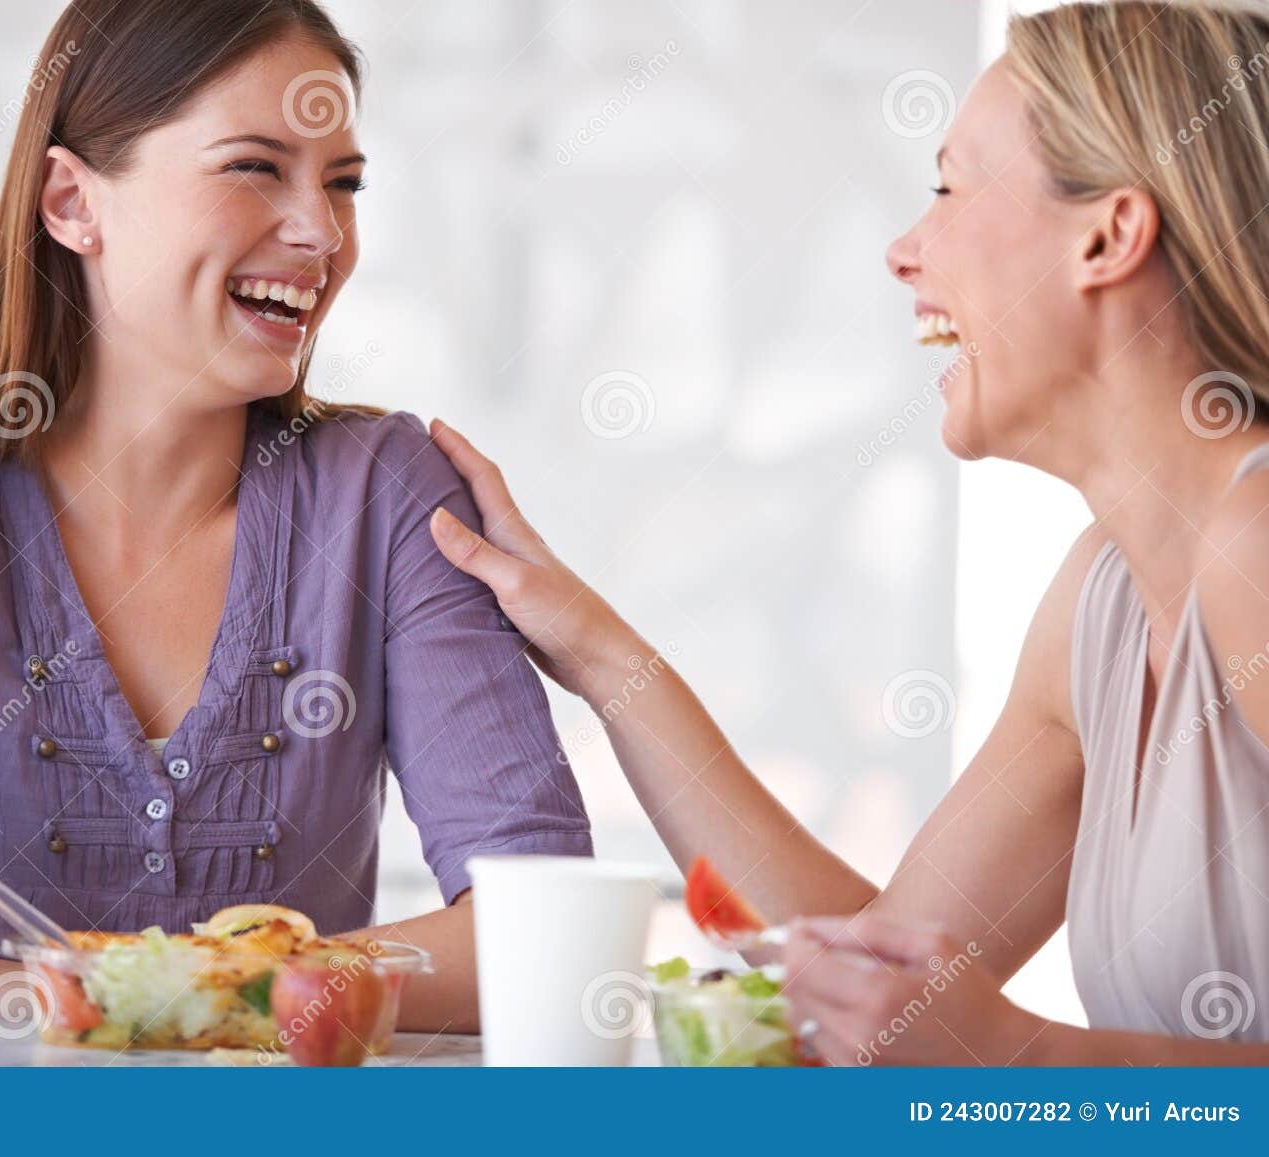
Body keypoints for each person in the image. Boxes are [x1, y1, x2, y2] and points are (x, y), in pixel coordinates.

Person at [0, 0, 592, 1031]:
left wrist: (101, 991)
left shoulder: (383, 493)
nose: (321, 233)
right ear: (72, 201)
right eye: (255, 167)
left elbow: (540, 932)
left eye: (342, 183)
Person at [428, 0, 1269, 1064]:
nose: (902, 251)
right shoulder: (1102, 594)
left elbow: (963, 1037)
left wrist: (1027, 1057)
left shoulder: (1256, 545)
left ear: (1106, 236)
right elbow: (881, 973)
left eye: (950, 186)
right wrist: (597, 650)